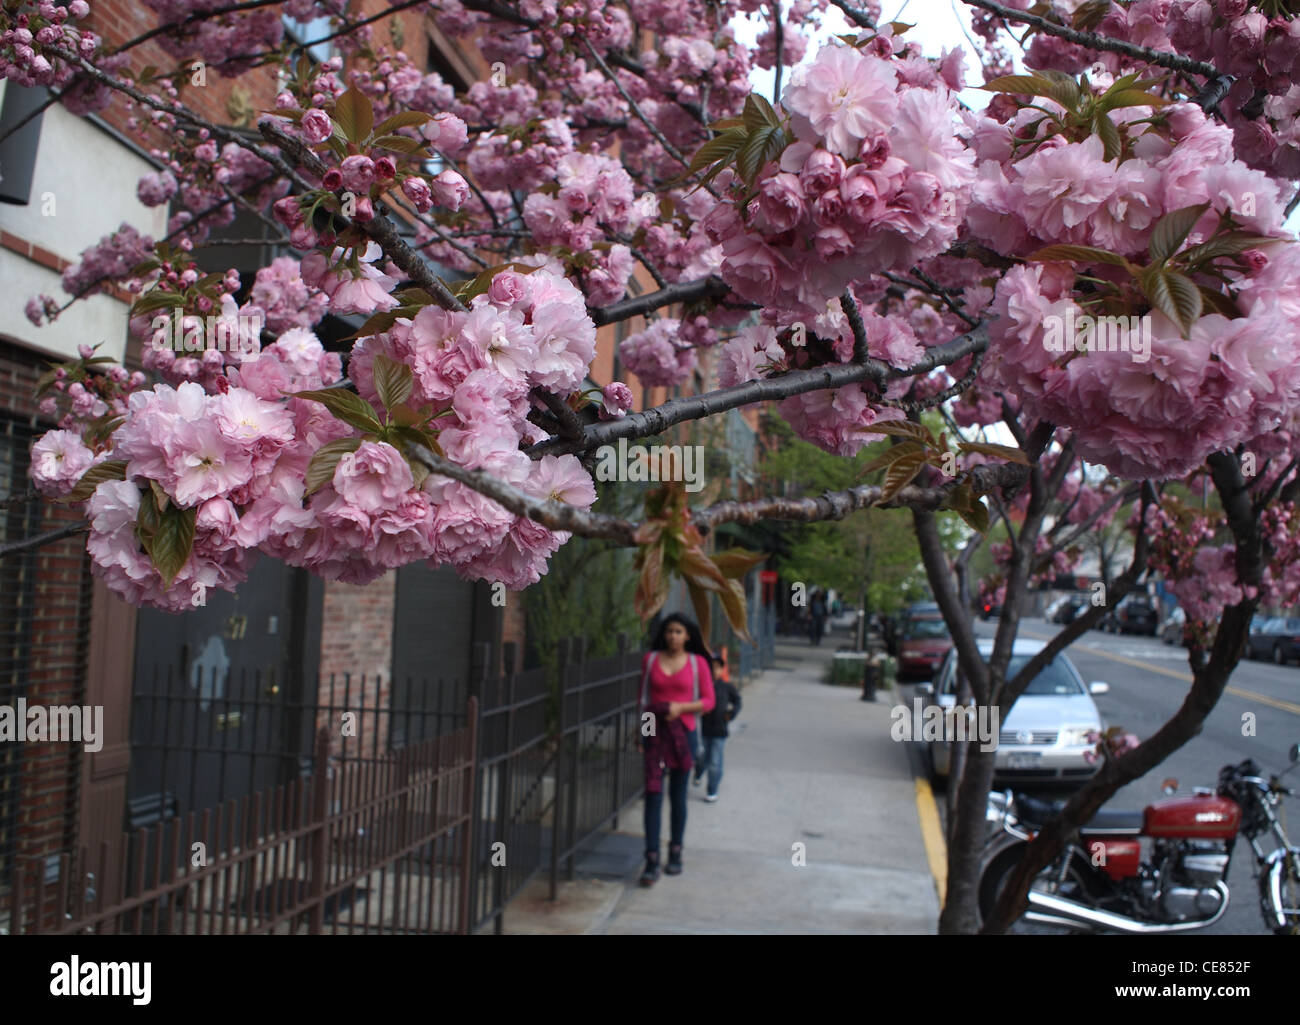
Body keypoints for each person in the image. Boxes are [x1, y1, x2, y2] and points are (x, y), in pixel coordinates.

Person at [638, 613, 715, 886]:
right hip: (656, 738)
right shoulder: (650, 661)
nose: (673, 636)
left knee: (678, 797)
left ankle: (675, 852)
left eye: (679, 631)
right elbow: (644, 700)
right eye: (669, 631)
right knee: (653, 796)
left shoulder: (698, 664)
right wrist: (643, 737)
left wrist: (681, 707)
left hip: (684, 736)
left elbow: (708, 701)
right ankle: (651, 859)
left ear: (688, 636)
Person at [694, 649, 741, 802]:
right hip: (703, 730)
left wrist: (731, 714)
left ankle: (712, 789)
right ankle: (699, 772)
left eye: (717, 667)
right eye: (710, 666)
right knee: (701, 757)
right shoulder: (700, 686)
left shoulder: (726, 687)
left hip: (719, 730)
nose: (714, 670)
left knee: (715, 761)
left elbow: (737, 701)